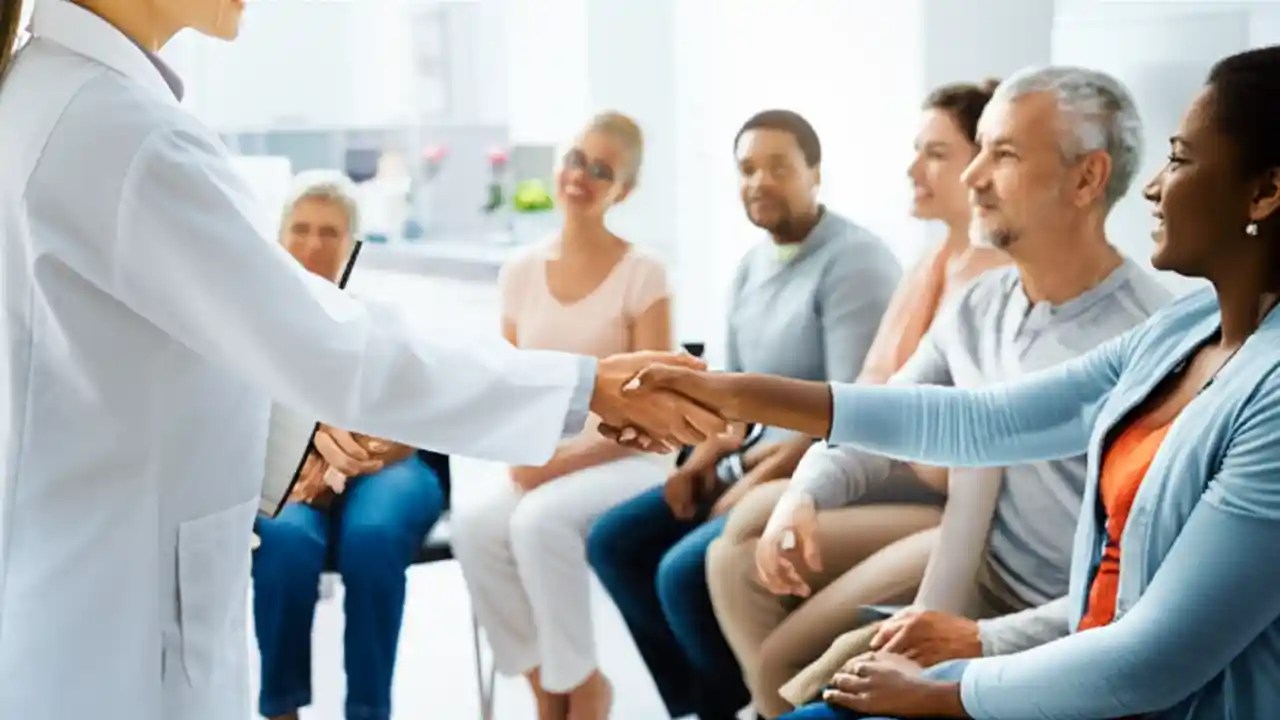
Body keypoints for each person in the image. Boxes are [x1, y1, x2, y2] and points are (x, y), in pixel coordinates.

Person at [0, 2, 719, 719]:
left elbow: (120, 365)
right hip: (112, 635)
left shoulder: (50, 95)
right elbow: (331, 346)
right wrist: (584, 384)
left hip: (85, 597)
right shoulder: (124, 135)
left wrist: (289, 436)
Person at [623, 46, 1280, 720]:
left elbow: (1148, 660)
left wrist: (947, 690)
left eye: (1181, 158)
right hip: (1062, 646)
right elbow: (977, 421)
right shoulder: (1184, 327)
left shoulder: (1258, 387)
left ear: (1264, 191)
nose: (1153, 187)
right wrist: (736, 393)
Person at [705, 68, 1170, 718]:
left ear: (1087, 179)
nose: (973, 176)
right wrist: (808, 492)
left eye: (1002, 154)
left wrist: (981, 641)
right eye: (977, 149)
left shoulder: (1153, 342)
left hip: (1055, 644)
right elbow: (890, 412)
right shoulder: (979, 306)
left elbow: (1145, 597)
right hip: (969, 590)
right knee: (791, 684)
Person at [587, 109, 901, 720]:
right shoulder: (750, 266)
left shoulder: (854, 264)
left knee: (682, 572)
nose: (759, 181)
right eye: (747, 168)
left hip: (820, 468)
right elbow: (727, 400)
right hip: (750, 462)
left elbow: (844, 411)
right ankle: (703, 702)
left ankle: (736, 705)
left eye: (778, 166)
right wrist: (696, 463)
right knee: (614, 542)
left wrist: (754, 483)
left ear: (815, 173)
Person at [451, 112, 674, 720]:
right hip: (543, 456)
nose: (581, 176)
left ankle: (585, 689)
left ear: (623, 190)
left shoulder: (643, 272)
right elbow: (509, 385)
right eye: (575, 159)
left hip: (630, 457)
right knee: (474, 527)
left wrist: (553, 467)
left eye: (601, 170)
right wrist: (529, 459)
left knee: (538, 524)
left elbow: (654, 413)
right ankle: (547, 689)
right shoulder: (519, 272)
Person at [250, 172, 446, 720]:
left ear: (353, 245)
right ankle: (281, 707)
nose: (314, 245)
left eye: (330, 233)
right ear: (280, 237)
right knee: (285, 541)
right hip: (288, 469)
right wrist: (305, 468)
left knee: (373, 535)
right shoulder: (251, 323)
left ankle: (368, 711)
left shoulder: (380, 320)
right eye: (302, 229)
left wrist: (342, 468)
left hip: (390, 464)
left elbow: (412, 425)